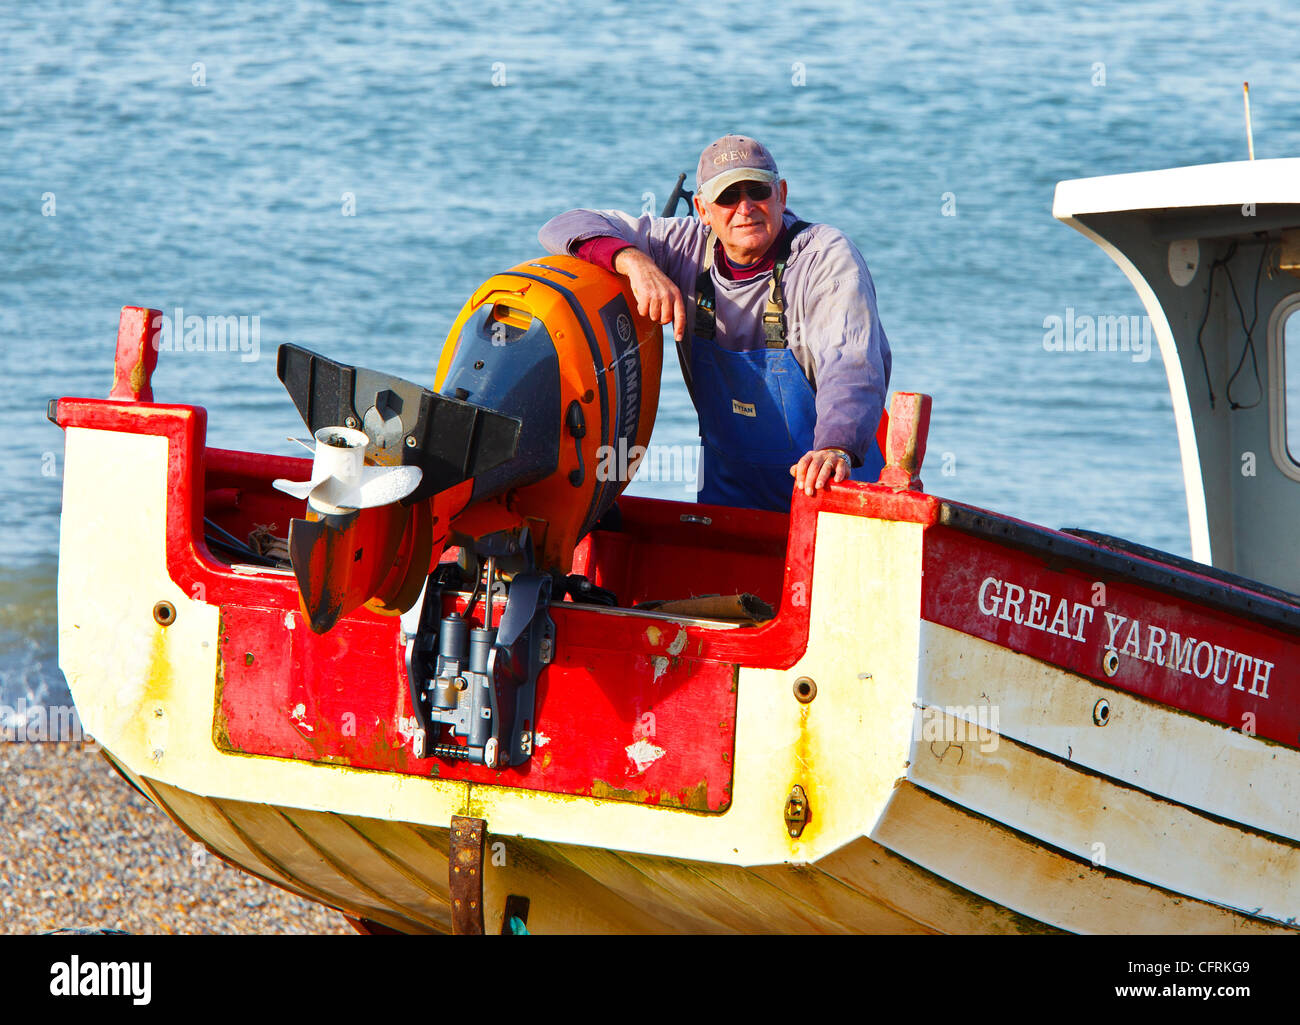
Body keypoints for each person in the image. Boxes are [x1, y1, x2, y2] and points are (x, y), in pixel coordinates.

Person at [538, 134, 892, 512]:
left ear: (782, 194)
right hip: (728, 497)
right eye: (727, 197)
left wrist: (835, 445)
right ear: (702, 209)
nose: (745, 208)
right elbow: (563, 226)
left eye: (757, 190)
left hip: (830, 488)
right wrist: (634, 263)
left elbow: (852, 364)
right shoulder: (679, 246)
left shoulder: (825, 257)